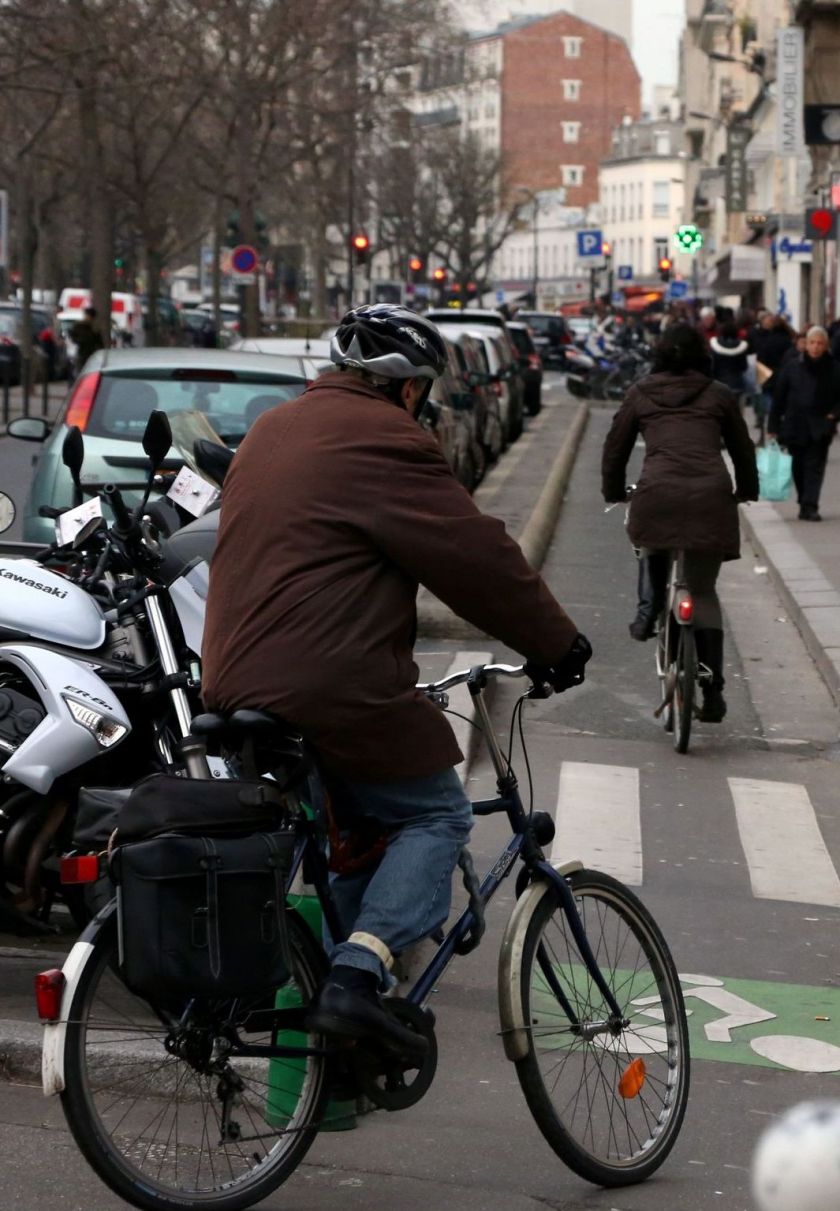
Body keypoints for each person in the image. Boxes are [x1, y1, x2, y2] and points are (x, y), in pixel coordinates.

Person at [202, 303, 592, 1055]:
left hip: (233, 673)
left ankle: (342, 1033)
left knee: (354, 835)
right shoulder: (386, 440)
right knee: (436, 816)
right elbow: (473, 556)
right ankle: (354, 979)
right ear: (409, 389)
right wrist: (557, 643)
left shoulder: (273, 428)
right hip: (325, 683)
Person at [601, 324, 759, 723]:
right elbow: (742, 447)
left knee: (648, 538)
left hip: (657, 494)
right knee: (703, 593)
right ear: (700, 355)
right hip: (711, 497)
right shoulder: (719, 394)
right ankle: (713, 687)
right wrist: (747, 490)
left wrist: (613, 491)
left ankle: (649, 607)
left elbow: (615, 448)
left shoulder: (640, 392)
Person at [768, 325, 840, 521]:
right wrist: (772, 427)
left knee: (815, 466)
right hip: (795, 424)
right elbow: (779, 398)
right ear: (805, 344)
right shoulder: (793, 366)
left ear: (826, 346)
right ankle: (803, 500)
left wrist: (833, 415)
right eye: (812, 343)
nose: (816, 347)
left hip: (820, 425)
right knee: (798, 466)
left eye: (820, 343)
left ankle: (811, 505)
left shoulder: (834, 368)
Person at [751, 313, 793, 443]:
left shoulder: (767, 340)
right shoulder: (789, 339)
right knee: (781, 406)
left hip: (767, 376)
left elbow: (760, 358)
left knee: (770, 408)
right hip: (784, 376)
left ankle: (768, 433)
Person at [710, 320, 749, 398]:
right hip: (737, 383)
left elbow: (713, 366)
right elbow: (744, 366)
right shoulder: (742, 346)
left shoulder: (715, 345)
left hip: (720, 383)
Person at [69, 306, 104, 373]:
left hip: (91, 354)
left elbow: (99, 343)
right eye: (86, 315)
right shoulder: (79, 326)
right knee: (79, 371)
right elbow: (73, 338)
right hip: (81, 352)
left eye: (88, 316)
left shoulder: (94, 329)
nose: (87, 317)